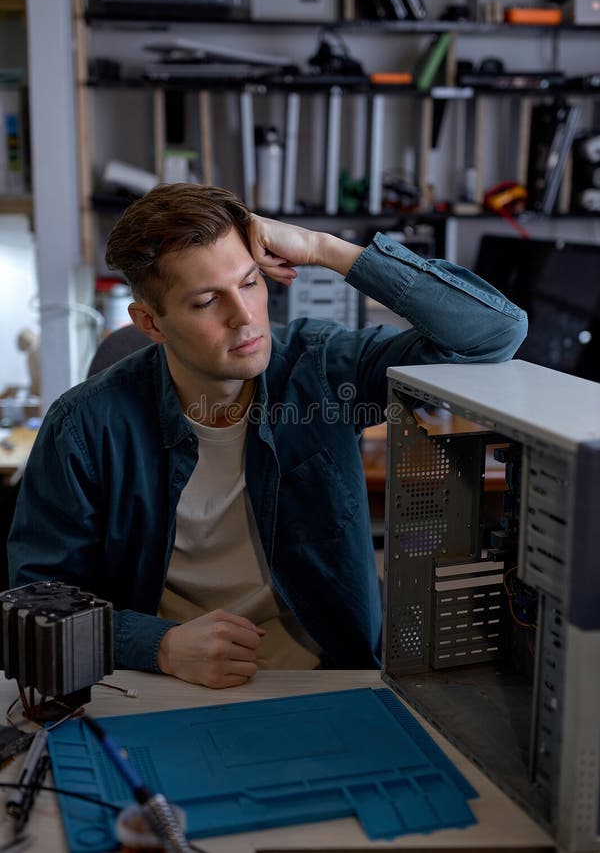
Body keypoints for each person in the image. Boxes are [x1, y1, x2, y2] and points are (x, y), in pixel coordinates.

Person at [8, 183, 527, 689]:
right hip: (166, 686)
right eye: (208, 300)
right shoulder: (83, 426)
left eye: (251, 283)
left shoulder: (319, 367)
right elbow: (35, 602)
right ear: (150, 322)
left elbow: (494, 333)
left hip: (333, 681)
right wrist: (157, 645)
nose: (245, 318)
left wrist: (328, 250)